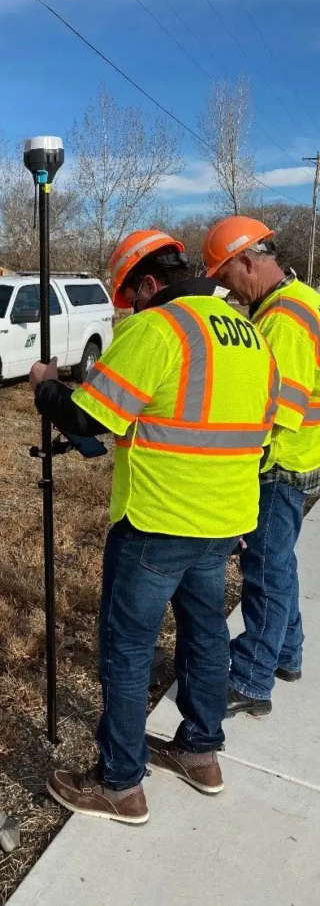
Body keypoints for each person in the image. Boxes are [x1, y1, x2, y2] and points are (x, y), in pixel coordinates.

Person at [29, 229, 278, 825]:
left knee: (127, 648)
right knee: (206, 635)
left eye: (130, 297)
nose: (130, 310)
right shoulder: (249, 334)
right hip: (225, 520)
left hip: (158, 522)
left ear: (147, 284)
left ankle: (119, 783)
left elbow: (90, 417)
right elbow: (261, 428)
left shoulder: (158, 328)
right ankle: (201, 752)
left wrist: (45, 388)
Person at [202, 216, 320, 716]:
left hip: (284, 467)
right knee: (281, 563)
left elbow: (277, 415)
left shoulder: (283, 321)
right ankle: (287, 654)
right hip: (306, 460)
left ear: (248, 261)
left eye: (226, 277)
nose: (228, 290)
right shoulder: (303, 299)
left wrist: (240, 475)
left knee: (266, 571)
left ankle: (251, 680)